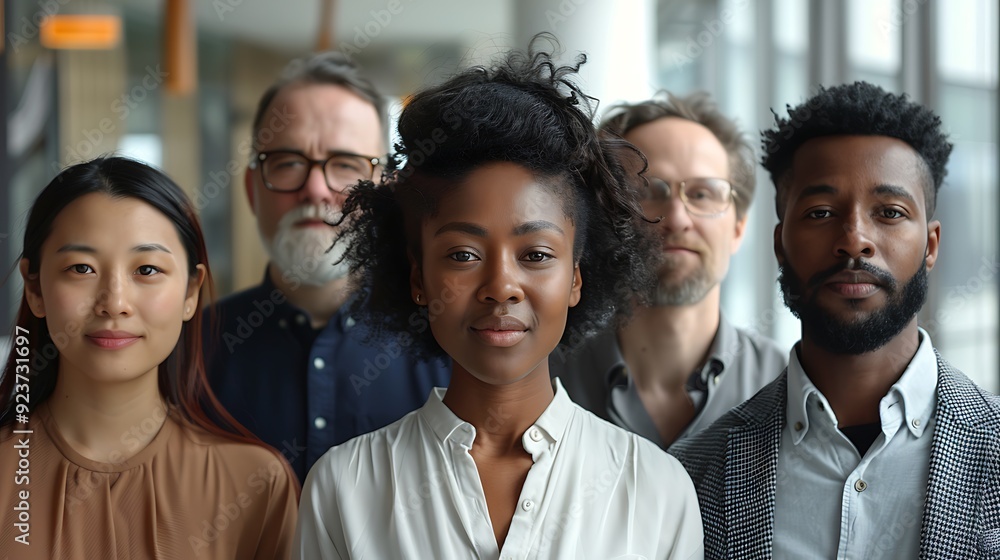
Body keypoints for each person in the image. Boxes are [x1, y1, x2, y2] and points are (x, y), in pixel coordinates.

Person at [294, 40, 704, 559]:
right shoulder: (344, 488)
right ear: (417, 277)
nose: (501, 285)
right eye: (463, 255)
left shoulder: (656, 489)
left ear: (577, 278)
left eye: (535, 254)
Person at [670, 82, 1000, 559]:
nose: (854, 240)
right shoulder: (694, 475)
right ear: (780, 244)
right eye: (821, 212)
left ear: (930, 245)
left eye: (889, 212)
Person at [0, 157, 298, 559]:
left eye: (147, 269)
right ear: (35, 289)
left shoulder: (256, 485)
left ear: (191, 292)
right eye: (81, 268)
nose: (115, 303)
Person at [206, 51, 450, 482]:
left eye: (345, 165)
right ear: (251, 190)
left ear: (384, 188)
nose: (315, 189)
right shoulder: (192, 352)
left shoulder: (446, 348)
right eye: (287, 163)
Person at [551, 92, 786, 448]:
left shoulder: (786, 386)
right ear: (605, 217)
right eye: (648, 190)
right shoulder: (547, 380)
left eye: (703, 194)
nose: (677, 218)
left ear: (738, 227)